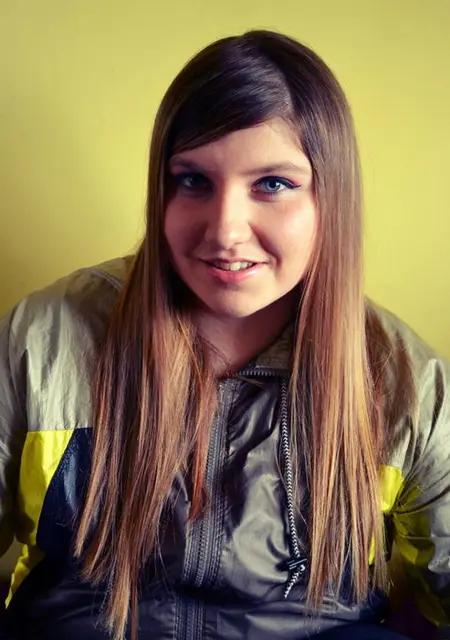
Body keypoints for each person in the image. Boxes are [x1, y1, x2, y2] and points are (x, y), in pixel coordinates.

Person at [0, 29, 448, 640]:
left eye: (273, 184)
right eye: (193, 180)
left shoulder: (407, 381)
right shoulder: (42, 338)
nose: (225, 231)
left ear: (331, 197)